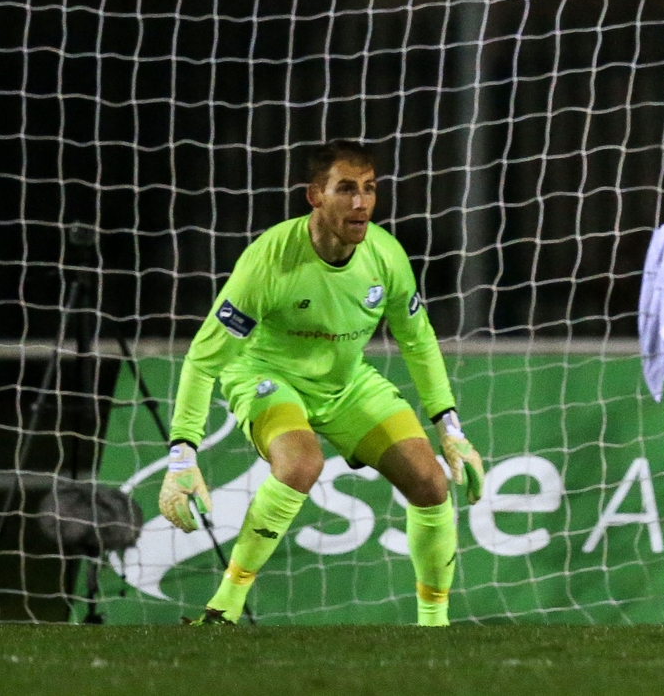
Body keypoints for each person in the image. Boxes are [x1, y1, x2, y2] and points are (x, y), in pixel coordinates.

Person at [157, 141, 485, 626]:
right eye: (346, 189)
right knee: (301, 463)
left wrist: (450, 429)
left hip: (346, 382)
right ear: (315, 196)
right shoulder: (270, 260)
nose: (361, 203)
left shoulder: (386, 256)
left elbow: (418, 341)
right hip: (267, 375)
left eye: (369, 189)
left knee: (431, 483)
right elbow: (204, 360)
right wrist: (182, 455)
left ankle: (433, 631)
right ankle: (222, 609)